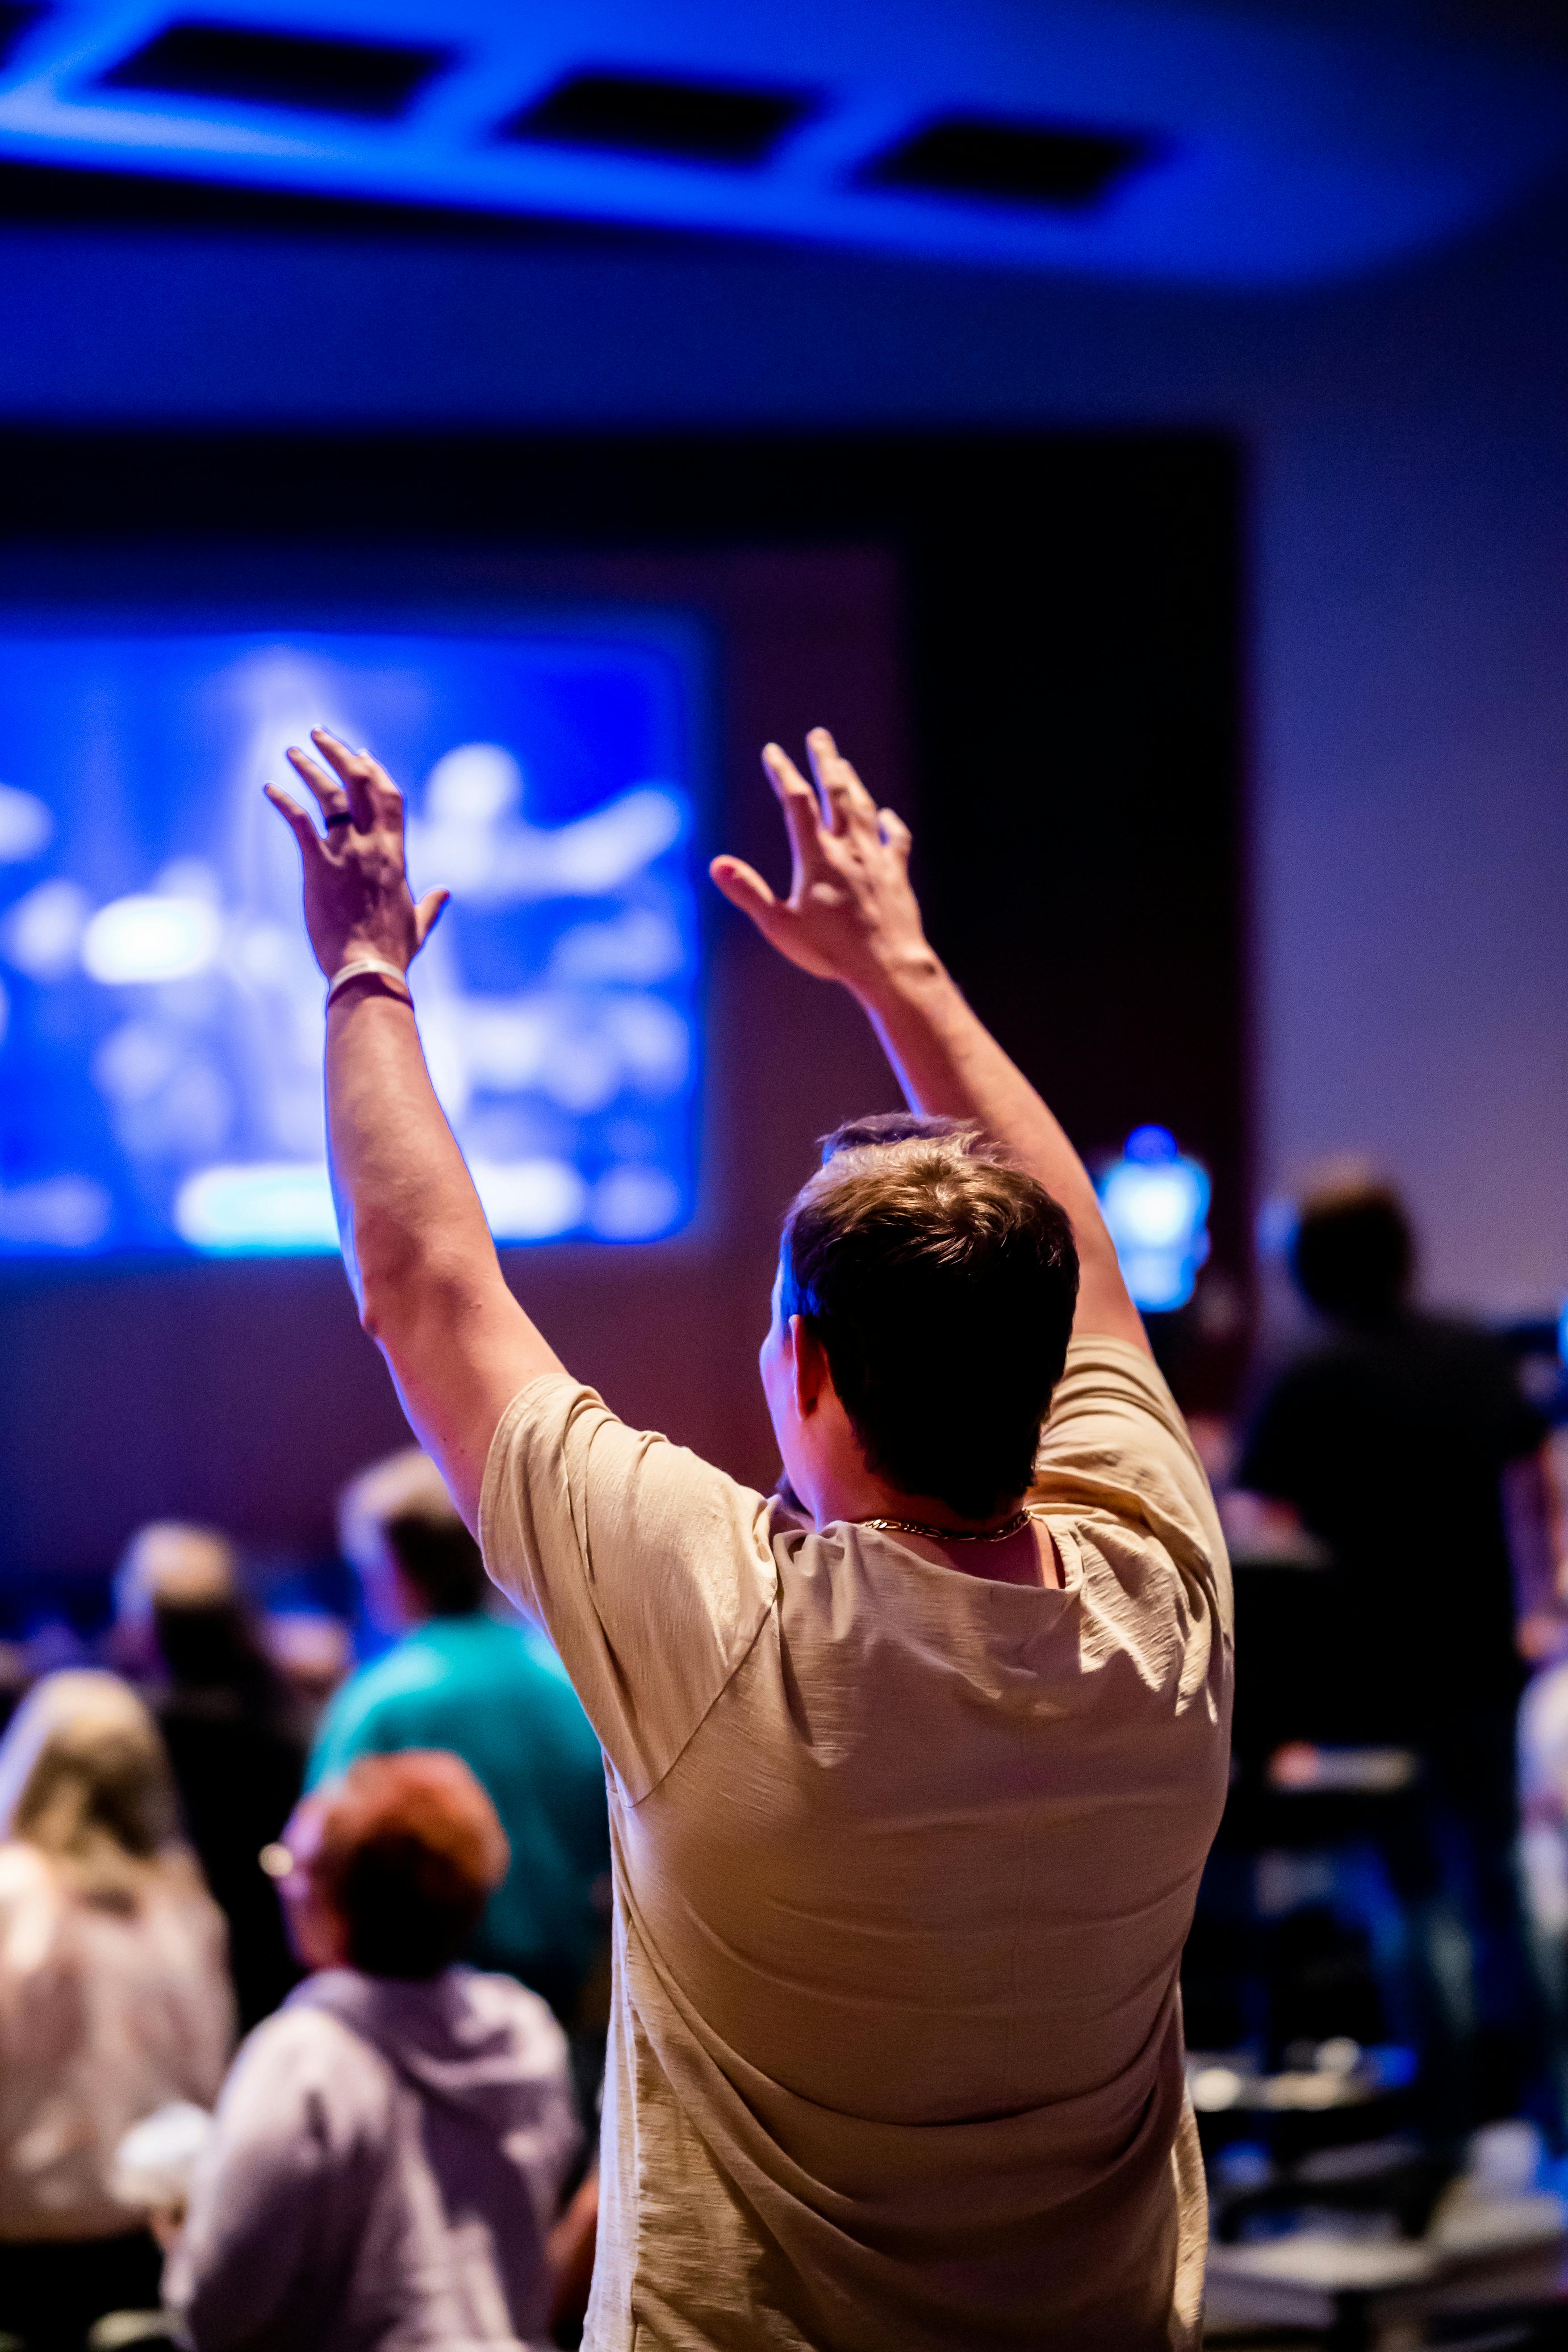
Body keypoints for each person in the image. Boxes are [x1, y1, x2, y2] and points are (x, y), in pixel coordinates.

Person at [265, 722, 1233, 2349]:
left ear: (807, 1365)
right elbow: (1084, 1266)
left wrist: (362, 967)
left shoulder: (722, 1631)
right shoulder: (1166, 1588)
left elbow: (424, 1286)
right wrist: (903, 967)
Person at [1234, 1174, 1558, 2124]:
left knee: (1411, 1898)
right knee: (1499, 1883)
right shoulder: (1471, 1352)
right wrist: (1535, 1600)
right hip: (1478, 1661)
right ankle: (1553, 2126)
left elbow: (1266, 1540)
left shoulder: (1303, 1374)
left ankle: (1448, 2130)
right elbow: (1531, 1482)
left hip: (1369, 1684)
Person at [163, 1749, 580, 2352]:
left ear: (332, 1896)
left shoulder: (304, 2056)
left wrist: (180, 2244)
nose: (284, 1884)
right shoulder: (525, 2031)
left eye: (295, 1865)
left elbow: (220, 2306)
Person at [309, 1448, 610, 2023]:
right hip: (570, 1990)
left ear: (391, 1568)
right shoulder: (568, 1682)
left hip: (421, 2001)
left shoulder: (378, 1702)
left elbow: (321, 1866)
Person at [0, 1670, 233, 2352]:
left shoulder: (11, 1897)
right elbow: (210, 2072)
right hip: (148, 2232)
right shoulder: (185, 1902)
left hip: (21, 2237)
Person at [117, 1522, 306, 2031]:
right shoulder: (289, 1720)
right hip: (278, 1962)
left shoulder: (135, 1733)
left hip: (170, 1972)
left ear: (146, 1631)